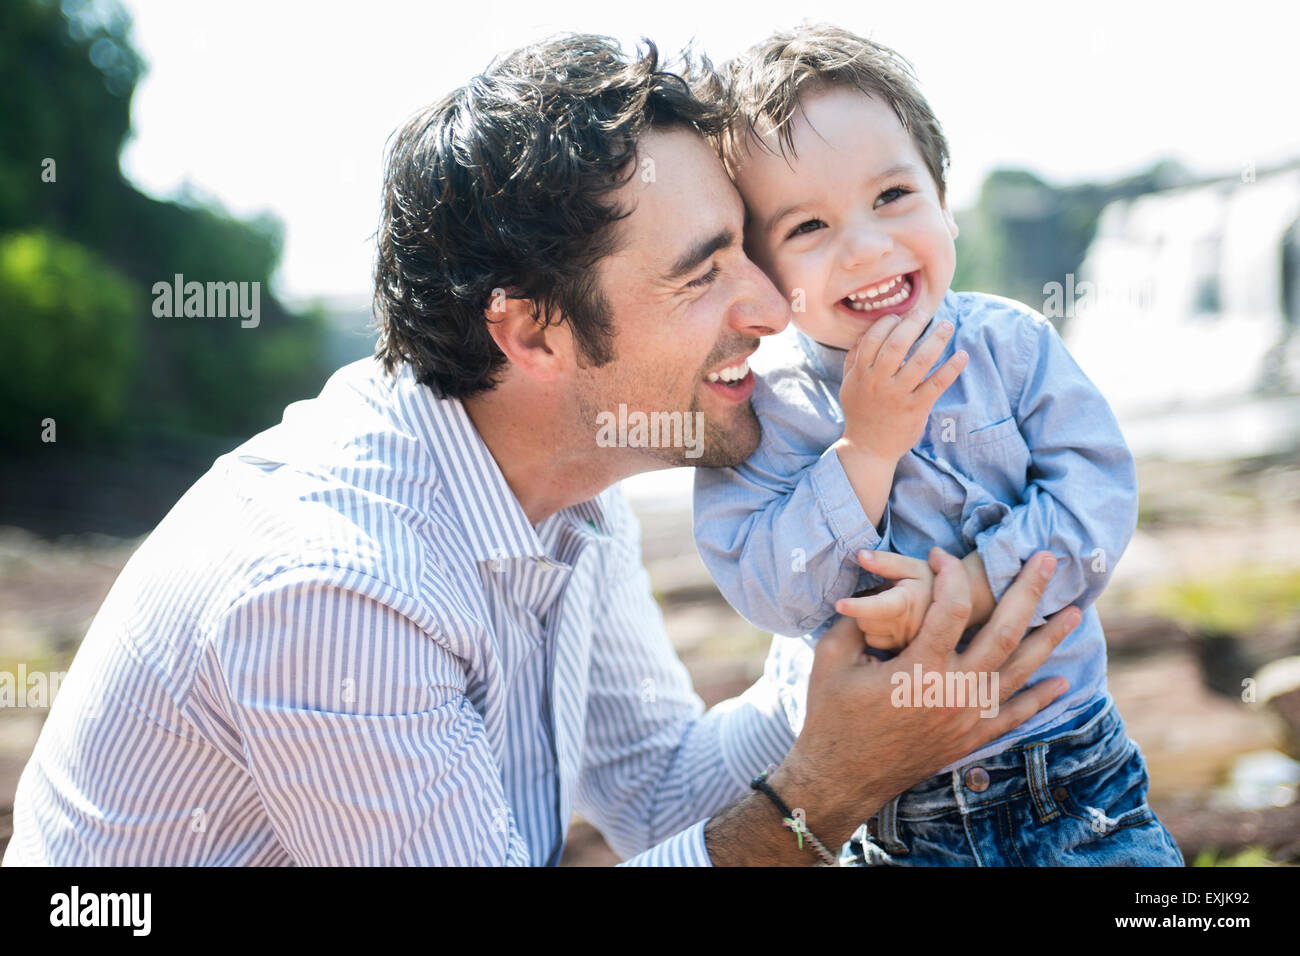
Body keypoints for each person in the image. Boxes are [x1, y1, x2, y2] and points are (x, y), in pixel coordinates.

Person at [3, 34, 1074, 867]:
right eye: (703, 274)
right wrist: (826, 793)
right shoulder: (335, 588)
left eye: (751, 250)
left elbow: (656, 786)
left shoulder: (566, 485)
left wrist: (862, 665)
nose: (770, 306)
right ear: (530, 333)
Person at [693, 23, 1183, 864]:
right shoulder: (767, 413)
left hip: (1068, 773)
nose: (868, 247)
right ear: (764, 271)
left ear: (944, 198)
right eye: (808, 227)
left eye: (892, 197)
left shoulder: (1014, 347)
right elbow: (771, 589)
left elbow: (1095, 497)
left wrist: (968, 588)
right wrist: (866, 451)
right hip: (896, 815)